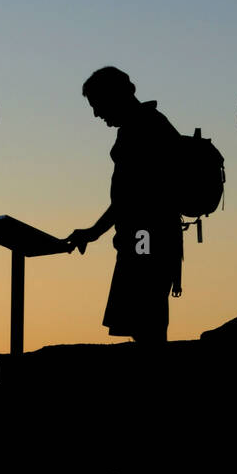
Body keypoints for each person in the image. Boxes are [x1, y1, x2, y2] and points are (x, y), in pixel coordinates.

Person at [66, 67, 183, 344]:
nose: (97, 114)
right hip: (154, 241)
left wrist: (94, 232)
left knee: (146, 325)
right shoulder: (149, 124)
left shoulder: (141, 129)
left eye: (98, 105)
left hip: (146, 244)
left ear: (114, 96)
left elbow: (131, 197)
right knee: (144, 322)